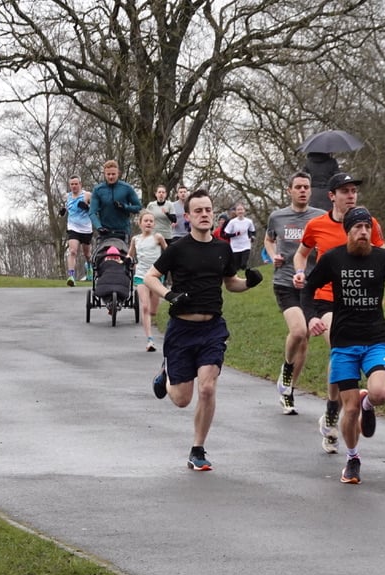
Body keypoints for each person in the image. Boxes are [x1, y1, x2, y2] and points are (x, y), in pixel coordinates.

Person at [143, 189, 264, 471]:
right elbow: (150, 277)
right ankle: (167, 372)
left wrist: (249, 284)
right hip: (182, 330)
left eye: (208, 210)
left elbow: (230, 282)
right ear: (188, 217)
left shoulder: (223, 248)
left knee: (207, 388)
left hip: (212, 328)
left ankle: (198, 449)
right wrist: (169, 295)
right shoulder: (178, 248)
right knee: (182, 399)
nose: (205, 214)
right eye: (198, 211)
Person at [301, 207, 385, 484]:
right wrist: (311, 317)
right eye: (358, 228)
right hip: (343, 342)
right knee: (348, 410)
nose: (364, 233)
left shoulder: (384, 258)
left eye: (367, 228)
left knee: (380, 394)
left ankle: (368, 401)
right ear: (348, 232)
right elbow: (308, 288)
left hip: (375, 338)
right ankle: (352, 458)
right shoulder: (333, 259)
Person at [292, 172, 385, 454]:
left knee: (345, 356)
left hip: (360, 304)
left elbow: (380, 260)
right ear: (332, 195)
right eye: (344, 191)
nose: (351, 195)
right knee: (340, 345)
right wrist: (299, 272)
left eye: (354, 190)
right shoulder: (316, 225)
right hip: (327, 300)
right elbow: (301, 254)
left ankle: (338, 408)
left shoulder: (369, 224)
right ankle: (338, 409)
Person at [264, 171, 326, 415]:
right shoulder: (278, 217)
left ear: (310, 191)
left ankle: (288, 391)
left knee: (304, 341)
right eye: (298, 187)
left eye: (306, 187)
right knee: (298, 331)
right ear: (289, 190)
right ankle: (287, 370)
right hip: (284, 281)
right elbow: (269, 240)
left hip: (312, 285)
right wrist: (273, 256)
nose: (302, 190)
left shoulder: (320, 217)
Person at [128, 210, 168, 351]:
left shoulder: (158, 237)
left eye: (151, 221)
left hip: (156, 276)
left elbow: (168, 252)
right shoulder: (135, 239)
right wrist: (126, 260)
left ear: (154, 224)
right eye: (146, 221)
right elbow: (130, 254)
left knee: (153, 310)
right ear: (140, 224)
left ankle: (151, 320)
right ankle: (149, 340)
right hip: (141, 275)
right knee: (145, 307)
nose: (149, 223)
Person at [89, 160, 142, 242]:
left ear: (118, 173)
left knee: (126, 254)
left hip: (123, 232)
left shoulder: (126, 188)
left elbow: (138, 208)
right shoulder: (98, 190)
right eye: (108, 174)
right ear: (104, 174)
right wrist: (99, 227)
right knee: (100, 255)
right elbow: (92, 212)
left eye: (113, 174)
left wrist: (124, 206)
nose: (111, 177)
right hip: (105, 232)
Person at [60, 176, 93, 286]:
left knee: (87, 254)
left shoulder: (87, 195)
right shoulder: (67, 196)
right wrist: (63, 212)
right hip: (73, 227)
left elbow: (95, 210)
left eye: (76, 184)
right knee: (73, 251)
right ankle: (71, 276)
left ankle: (89, 268)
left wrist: (87, 207)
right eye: (72, 184)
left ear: (80, 184)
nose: (74, 186)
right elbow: (66, 209)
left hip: (86, 228)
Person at [223, 203, 256, 270]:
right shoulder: (232, 222)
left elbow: (253, 231)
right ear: (236, 212)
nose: (240, 211)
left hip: (246, 245)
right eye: (238, 210)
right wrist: (235, 234)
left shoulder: (249, 221)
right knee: (236, 267)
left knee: (243, 264)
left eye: (241, 209)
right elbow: (226, 234)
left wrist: (252, 237)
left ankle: (247, 276)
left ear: (244, 211)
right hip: (235, 247)